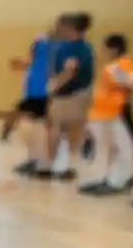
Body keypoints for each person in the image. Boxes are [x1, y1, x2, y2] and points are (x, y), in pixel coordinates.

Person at [81, 34, 133, 196]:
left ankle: (117, 180)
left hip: (112, 113)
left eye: (105, 48)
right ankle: (113, 178)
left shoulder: (120, 65)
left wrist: (120, 77)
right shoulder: (113, 66)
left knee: (122, 148)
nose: (103, 52)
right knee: (116, 147)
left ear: (113, 49)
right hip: (103, 114)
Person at [39, 12, 95, 181]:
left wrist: (53, 86)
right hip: (75, 93)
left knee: (57, 127)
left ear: (71, 29)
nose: (58, 29)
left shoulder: (74, 48)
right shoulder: (80, 47)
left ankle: (53, 165)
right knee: (66, 129)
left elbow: (69, 71)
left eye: (61, 26)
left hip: (71, 94)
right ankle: (64, 165)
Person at [8, 28, 55, 176]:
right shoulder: (35, 65)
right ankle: (34, 160)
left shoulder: (46, 59)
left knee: (37, 130)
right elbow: (25, 64)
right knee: (30, 130)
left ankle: (43, 164)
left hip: (41, 98)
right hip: (33, 97)